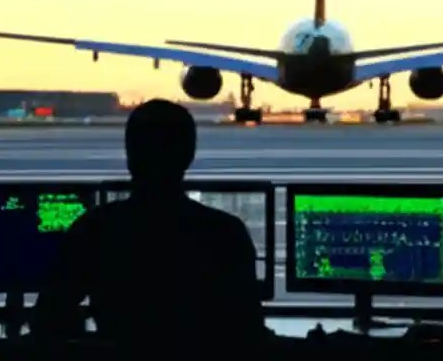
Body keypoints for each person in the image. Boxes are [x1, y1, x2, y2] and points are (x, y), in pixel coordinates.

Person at [30, 99, 267, 347]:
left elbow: (47, 320)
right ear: (188, 155)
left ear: (129, 155)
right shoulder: (225, 234)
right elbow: (248, 331)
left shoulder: (94, 230)